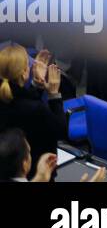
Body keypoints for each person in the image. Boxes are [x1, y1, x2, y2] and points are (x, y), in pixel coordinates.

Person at [0, 45, 66, 175]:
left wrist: (37, 85)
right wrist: (54, 95)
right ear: (25, 72)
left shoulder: (8, 98)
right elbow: (61, 131)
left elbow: (20, 98)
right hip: (36, 172)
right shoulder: (36, 109)